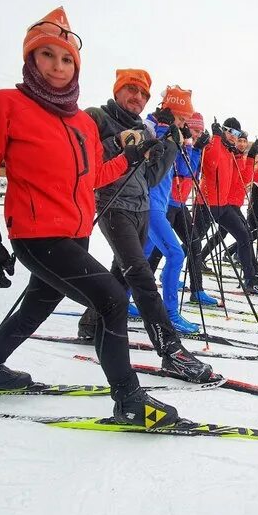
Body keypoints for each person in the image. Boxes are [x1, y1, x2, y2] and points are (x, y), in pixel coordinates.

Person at [0, 7, 179, 426]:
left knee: (37, 305)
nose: (57, 66)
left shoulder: (79, 122)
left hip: (74, 235)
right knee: (113, 298)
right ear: (30, 59)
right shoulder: (6, 104)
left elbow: (94, 175)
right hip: (38, 236)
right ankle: (130, 401)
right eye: (46, 55)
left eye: (66, 59)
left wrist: (130, 157)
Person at [76, 69, 217, 383]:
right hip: (115, 207)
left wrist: (168, 146)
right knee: (141, 275)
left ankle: (90, 324)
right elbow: (95, 161)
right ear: (117, 90)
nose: (136, 98)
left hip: (141, 208)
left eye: (143, 93)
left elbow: (150, 177)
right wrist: (136, 139)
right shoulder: (100, 118)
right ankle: (171, 351)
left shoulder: (147, 128)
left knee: (121, 276)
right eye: (130, 90)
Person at [143, 87, 204, 334]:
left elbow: (181, 168)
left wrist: (188, 145)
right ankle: (169, 314)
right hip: (150, 205)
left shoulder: (174, 134)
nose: (182, 124)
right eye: (181, 119)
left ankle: (124, 302)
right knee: (176, 254)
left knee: (141, 259)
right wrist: (166, 133)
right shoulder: (150, 126)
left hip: (157, 203)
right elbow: (149, 154)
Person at [199, 118, 258, 296]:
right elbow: (211, 163)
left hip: (226, 204)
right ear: (223, 131)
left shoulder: (232, 153)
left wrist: (254, 158)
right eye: (232, 134)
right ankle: (191, 277)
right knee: (193, 243)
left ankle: (251, 278)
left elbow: (248, 178)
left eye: (240, 136)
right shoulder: (216, 146)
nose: (236, 139)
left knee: (245, 236)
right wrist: (217, 138)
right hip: (209, 204)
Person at [146, 112, 216, 305]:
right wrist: (194, 149)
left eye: (200, 131)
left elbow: (192, 172)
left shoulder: (189, 146)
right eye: (195, 130)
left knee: (194, 243)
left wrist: (197, 149)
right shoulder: (179, 143)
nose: (197, 134)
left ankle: (197, 290)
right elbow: (184, 170)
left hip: (180, 204)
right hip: (167, 203)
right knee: (158, 251)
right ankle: (144, 290)